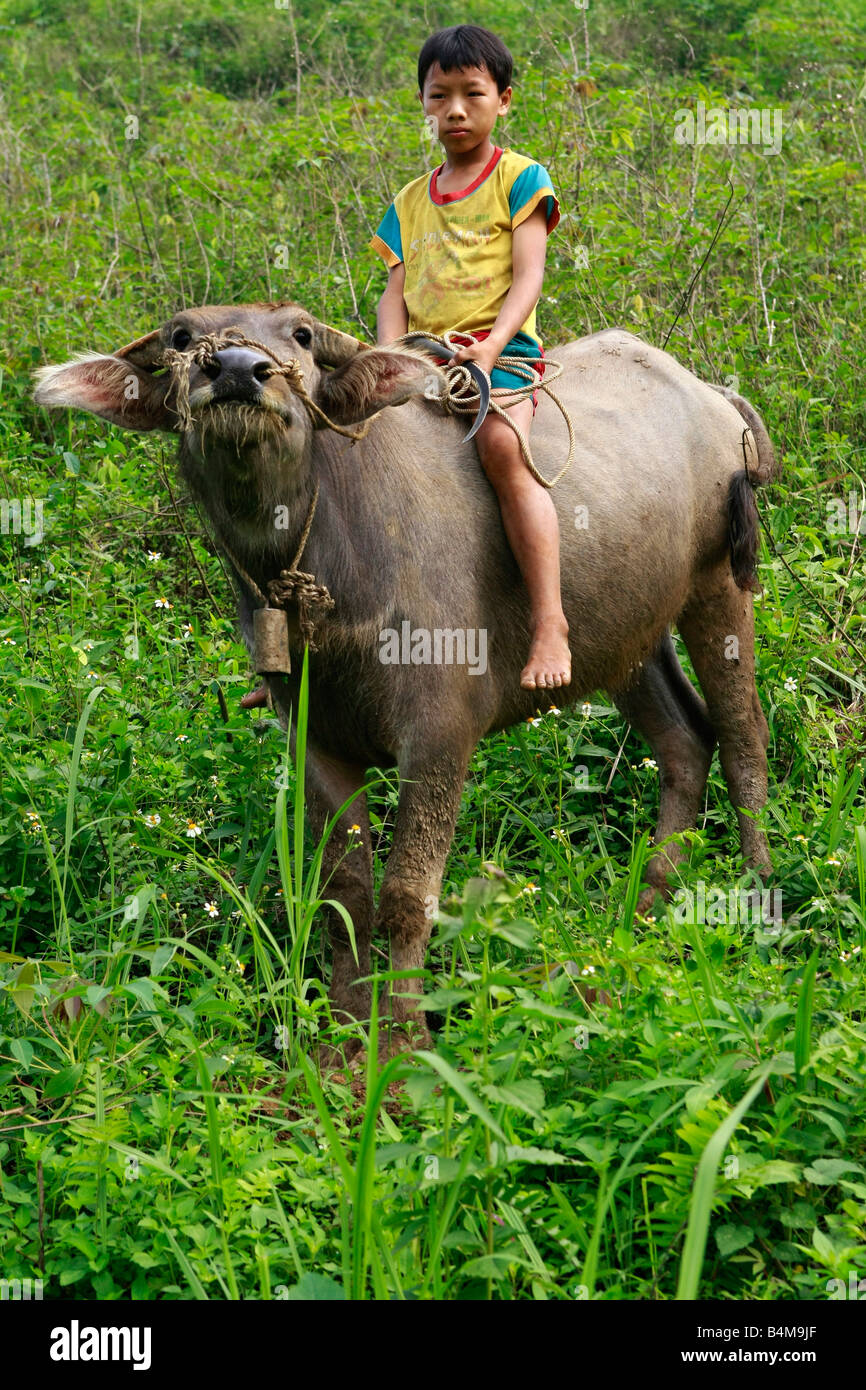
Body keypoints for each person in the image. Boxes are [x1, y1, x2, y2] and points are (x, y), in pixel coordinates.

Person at [371, 23, 571, 691]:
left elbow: (528, 277)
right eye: (439, 96)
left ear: (504, 100)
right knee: (337, 452)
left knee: (500, 448)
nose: (454, 110)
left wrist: (488, 348)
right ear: (424, 104)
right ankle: (302, 649)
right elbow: (393, 294)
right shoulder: (407, 200)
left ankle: (549, 620)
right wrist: (390, 359)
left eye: (472, 94)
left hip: (501, 354)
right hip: (425, 360)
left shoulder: (522, 178)